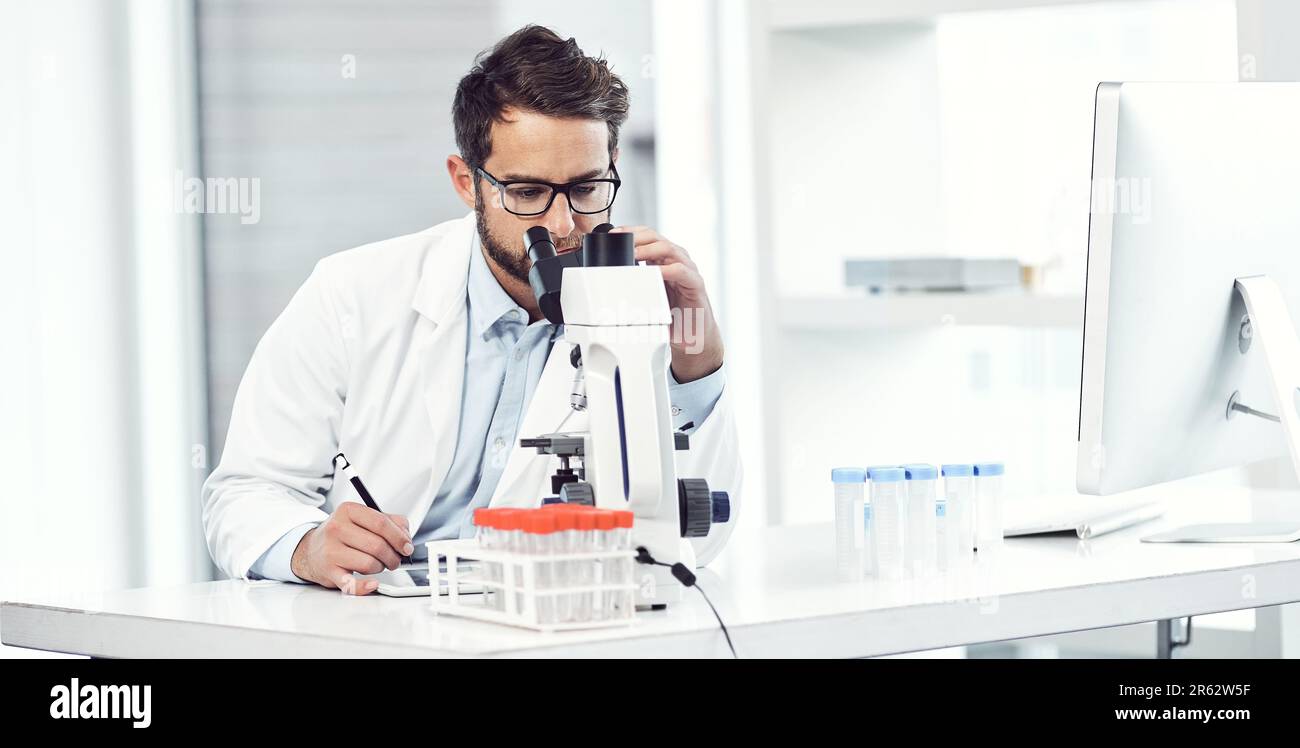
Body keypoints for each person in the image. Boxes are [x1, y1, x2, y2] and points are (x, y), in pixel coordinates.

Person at [201, 25, 740, 594]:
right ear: (466, 182)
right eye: (527, 193)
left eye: (585, 190)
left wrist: (696, 364)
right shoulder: (352, 294)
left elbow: (696, 543)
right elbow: (243, 495)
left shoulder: (643, 307)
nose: (561, 226)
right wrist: (306, 547)